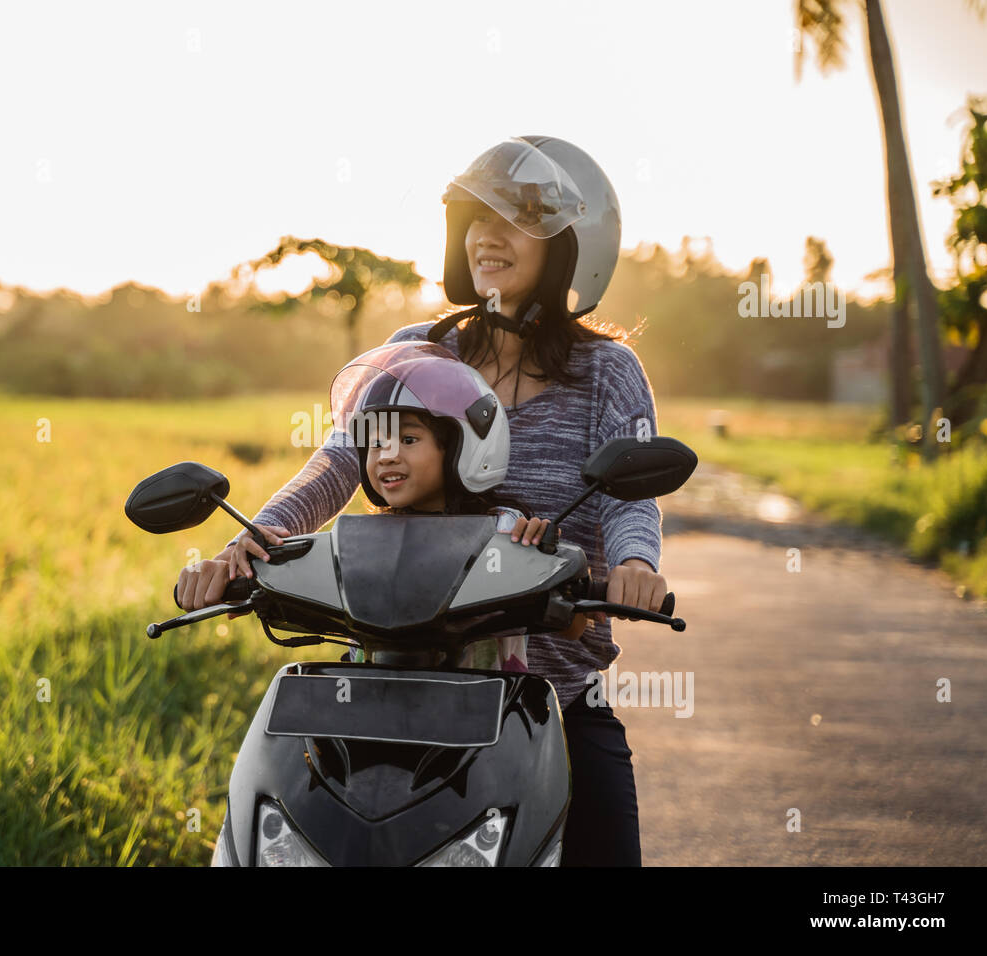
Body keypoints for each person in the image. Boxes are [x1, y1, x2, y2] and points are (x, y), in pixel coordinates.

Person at [177, 136, 667, 867]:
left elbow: (632, 498)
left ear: (570, 248)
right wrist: (254, 539)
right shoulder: (418, 351)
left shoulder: (608, 372)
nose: (485, 237)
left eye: (515, 221)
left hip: (552, 699)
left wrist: (632, 565)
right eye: (474, 218)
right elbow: (337, 464)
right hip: (390, 686)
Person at [327, 341, 571, 671]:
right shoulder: (360, 538)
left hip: (487, 710)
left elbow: (574, 627)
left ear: (463, 446)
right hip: (374, 707)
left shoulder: (504, 533)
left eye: (408, 439)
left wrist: (541, 561)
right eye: (375, 443)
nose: (386, 455)